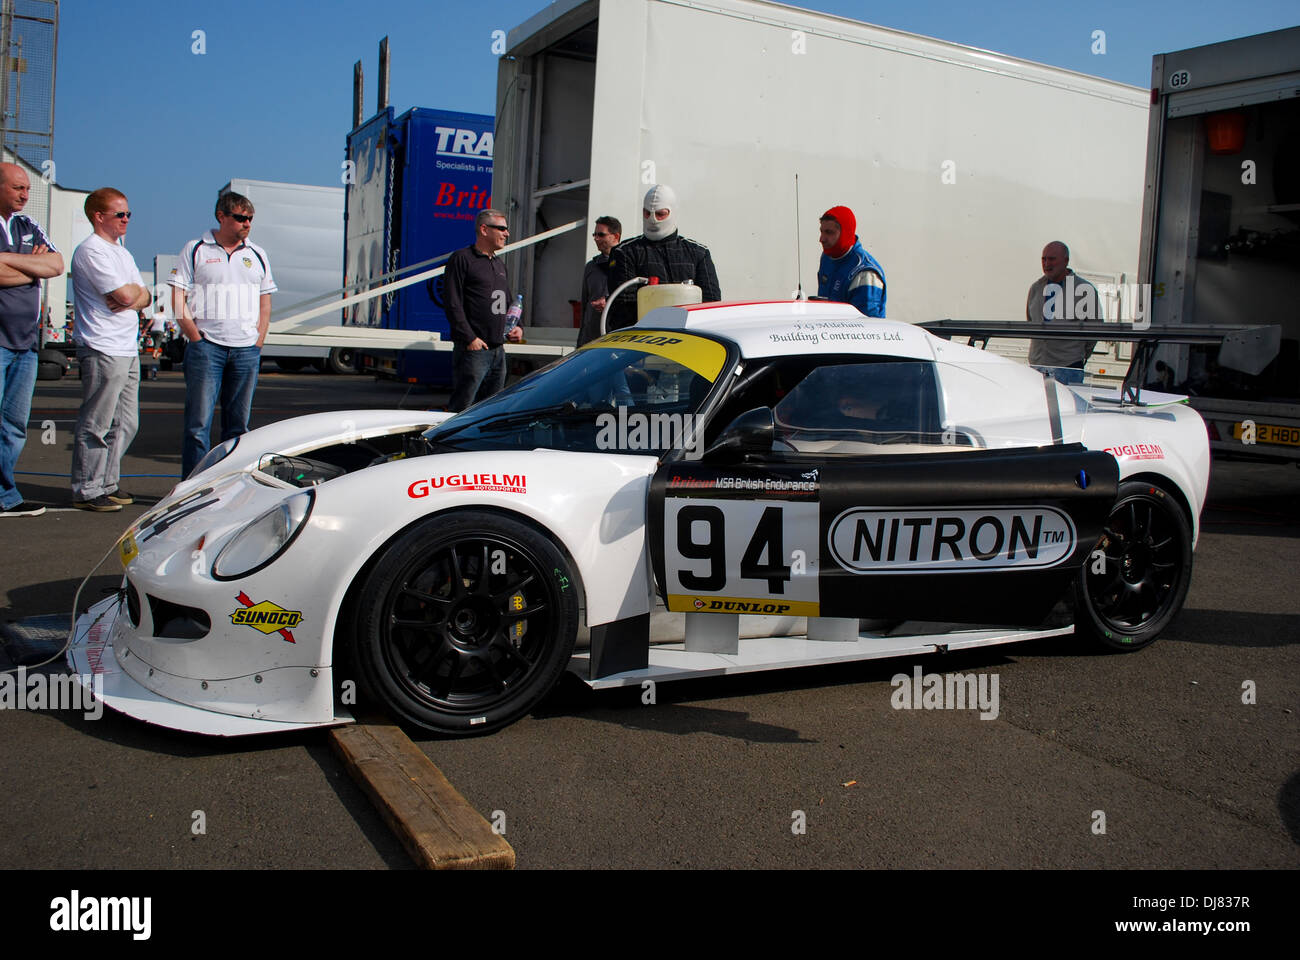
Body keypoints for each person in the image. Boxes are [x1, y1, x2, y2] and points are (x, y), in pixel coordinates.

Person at [171, 192, 277, 477]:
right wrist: (194, 336)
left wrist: (259, 339)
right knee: (198, 426)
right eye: (240, 218)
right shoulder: (196, 249)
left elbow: (265, 301)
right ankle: (191, 490)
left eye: (250, 219)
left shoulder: (257, 254)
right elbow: (177, 294)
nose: (247, 224)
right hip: (207, 348)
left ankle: (231, 486)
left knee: (238, 428)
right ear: (221, 216)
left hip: (246, 351)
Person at [69, 188, 151, 511]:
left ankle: (107, 482)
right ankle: (87, 488)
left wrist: (132, 297)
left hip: (126, 348)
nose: (127, 219)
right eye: (120, 214)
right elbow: (130, 297)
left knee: (127, 423)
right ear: (98, 217)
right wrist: (132, 297)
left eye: (129, 213)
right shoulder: (91, 251)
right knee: (97, 422)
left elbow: (139, 296)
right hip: (102, 346)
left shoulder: (123, 252)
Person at [0, 162, 63, 517]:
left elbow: (55, 265)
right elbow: (40, 269)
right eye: (17, 188)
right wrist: (29, 266)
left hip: (25, 345)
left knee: (14, 425)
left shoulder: (28, 225)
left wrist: (11, 261)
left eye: (27, 189)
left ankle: (5, 495)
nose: (25, 195)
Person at [605, 185, 721, 332]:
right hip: (644, 340)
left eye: (660, 214)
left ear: (672, 212)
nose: (653, 220)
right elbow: (622, 308)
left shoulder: (698, 253)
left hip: (689, 337)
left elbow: (711, 304)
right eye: (647, 213)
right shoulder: (625, 252)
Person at [444, 208, 524, 412]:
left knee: (492, 407)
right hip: (474, 350)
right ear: (484, 229)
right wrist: (470, 338)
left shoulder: (498, 264)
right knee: (464, 406)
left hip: (498, 349)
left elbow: (507, 301)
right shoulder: (462, 259)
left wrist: (517, 327)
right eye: (502, 229)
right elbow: (453, 303)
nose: (507, 234)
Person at [1027, 241, 1099, 384]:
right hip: (1037, 366)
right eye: (1044, 259)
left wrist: (1076, 355)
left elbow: (1095, 330)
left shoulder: (1084, 290)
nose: (1047, 263)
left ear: (1066, 261)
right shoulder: (1036, 288)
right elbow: (1031, 321)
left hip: (1068, 367)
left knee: (1068, 406)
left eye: (1052, 259)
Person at [816, 205, 886, 317]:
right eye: (821, 232)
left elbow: (868, 326)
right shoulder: (827, 258)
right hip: (830, 332)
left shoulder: (865, 272)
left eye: (829, 232)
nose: (821, 239)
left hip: (851, 334)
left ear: (845, 233)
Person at [576, 215, 621, 346]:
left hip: (617, 339)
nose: (596, 239)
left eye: (601, 235)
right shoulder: (591, 266)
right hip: (592, 340)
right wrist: (580, 343)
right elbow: (584, 306)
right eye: (594, 234)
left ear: (616, 236)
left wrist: (609, 303)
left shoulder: (628, 264)